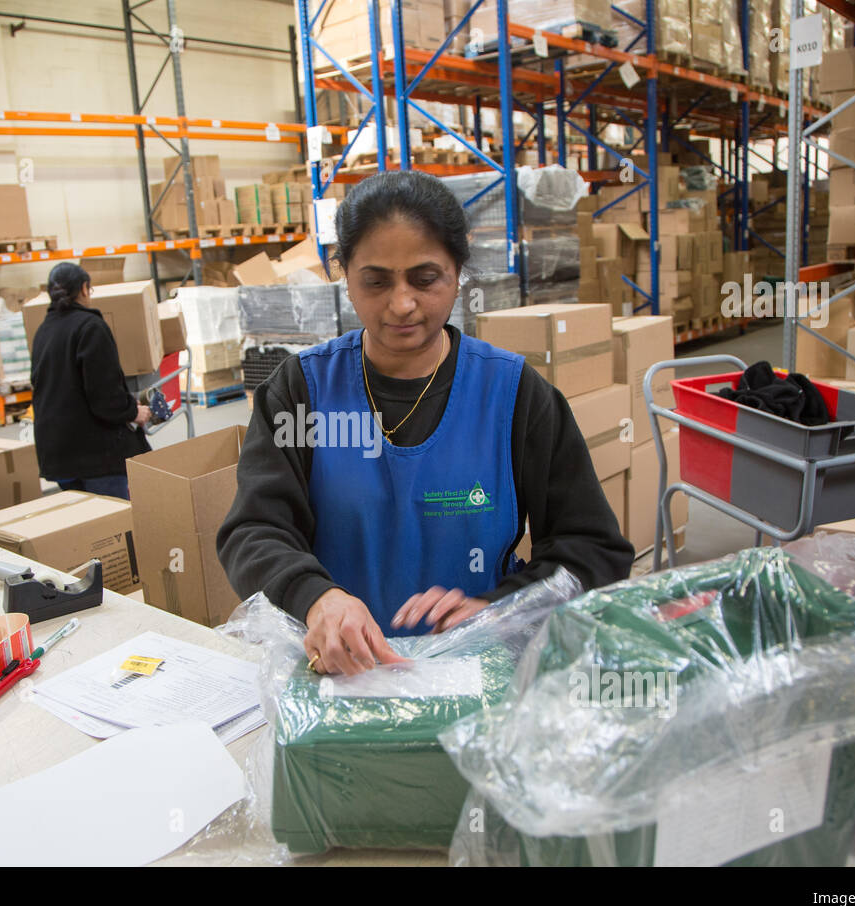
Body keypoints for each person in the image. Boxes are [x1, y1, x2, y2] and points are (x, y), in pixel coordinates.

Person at [217, 170, 633, 676]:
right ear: (344, 275)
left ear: (458, 271)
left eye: (425, 278)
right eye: (376, 281)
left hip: (479, 672)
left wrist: (503, 608)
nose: (402, 303)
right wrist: (316, 598)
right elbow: (254, 529)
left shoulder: (515, 395)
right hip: (341, 675)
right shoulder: (302, 391)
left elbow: (593, 548)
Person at [29, 262, 151, 499]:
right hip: (94, 457)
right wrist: (132, 412)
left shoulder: (44, 330)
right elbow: (105, 395)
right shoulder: (90, 327)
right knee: (115, 525)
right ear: (84, 289)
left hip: (56, 453)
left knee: (85, 528)